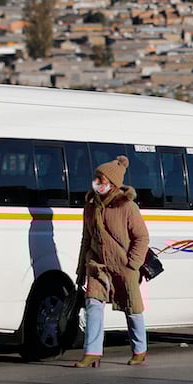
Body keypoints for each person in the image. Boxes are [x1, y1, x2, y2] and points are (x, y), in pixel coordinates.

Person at [73, 155, 151, 367]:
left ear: (113, 183)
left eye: (102, 180)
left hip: (124, 266)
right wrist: (81, 268)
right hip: (97, 265)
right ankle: (92, 352)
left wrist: (133, 264)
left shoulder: (127, 207)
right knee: (93, 304)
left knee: (132, 308)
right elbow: (86, 239)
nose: (98, 184)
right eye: (96, 180)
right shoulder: (90, 207)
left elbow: (142, 237)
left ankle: (140, 349)